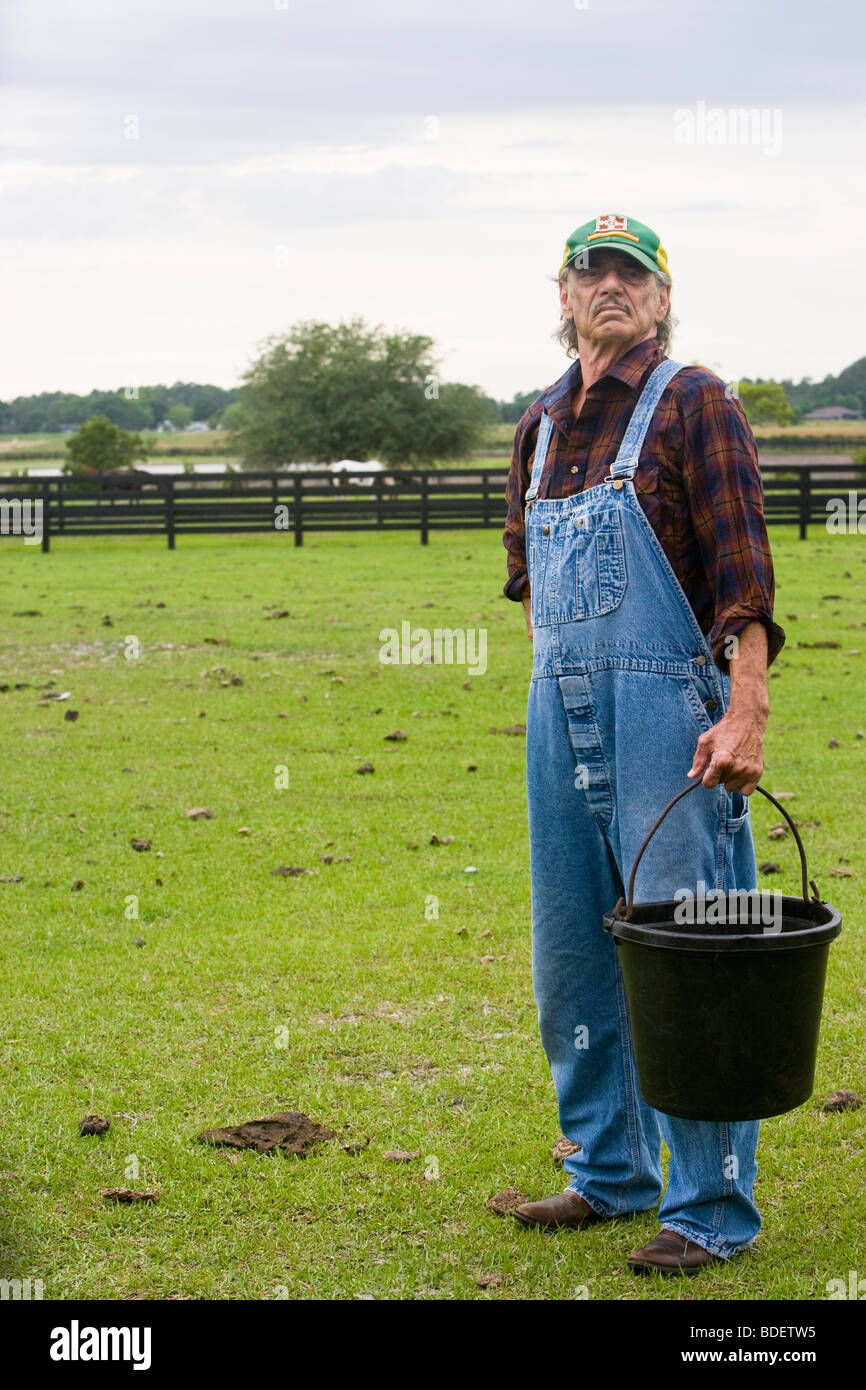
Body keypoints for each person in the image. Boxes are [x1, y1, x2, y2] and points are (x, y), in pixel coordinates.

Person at [501, 213, 786, 1275]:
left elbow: (741, 571)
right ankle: (606, 1171)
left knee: (684, 956)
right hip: (555, 710)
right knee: (571, 956)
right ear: (562, 295)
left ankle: (707, 1205)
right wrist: (555, 689)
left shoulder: (694, 401)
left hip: (671, 711)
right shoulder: (535, 425)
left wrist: (742, 705)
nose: (610, 286)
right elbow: (528, 584)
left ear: (662, 297)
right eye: (591, 272)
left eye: (632, 273)